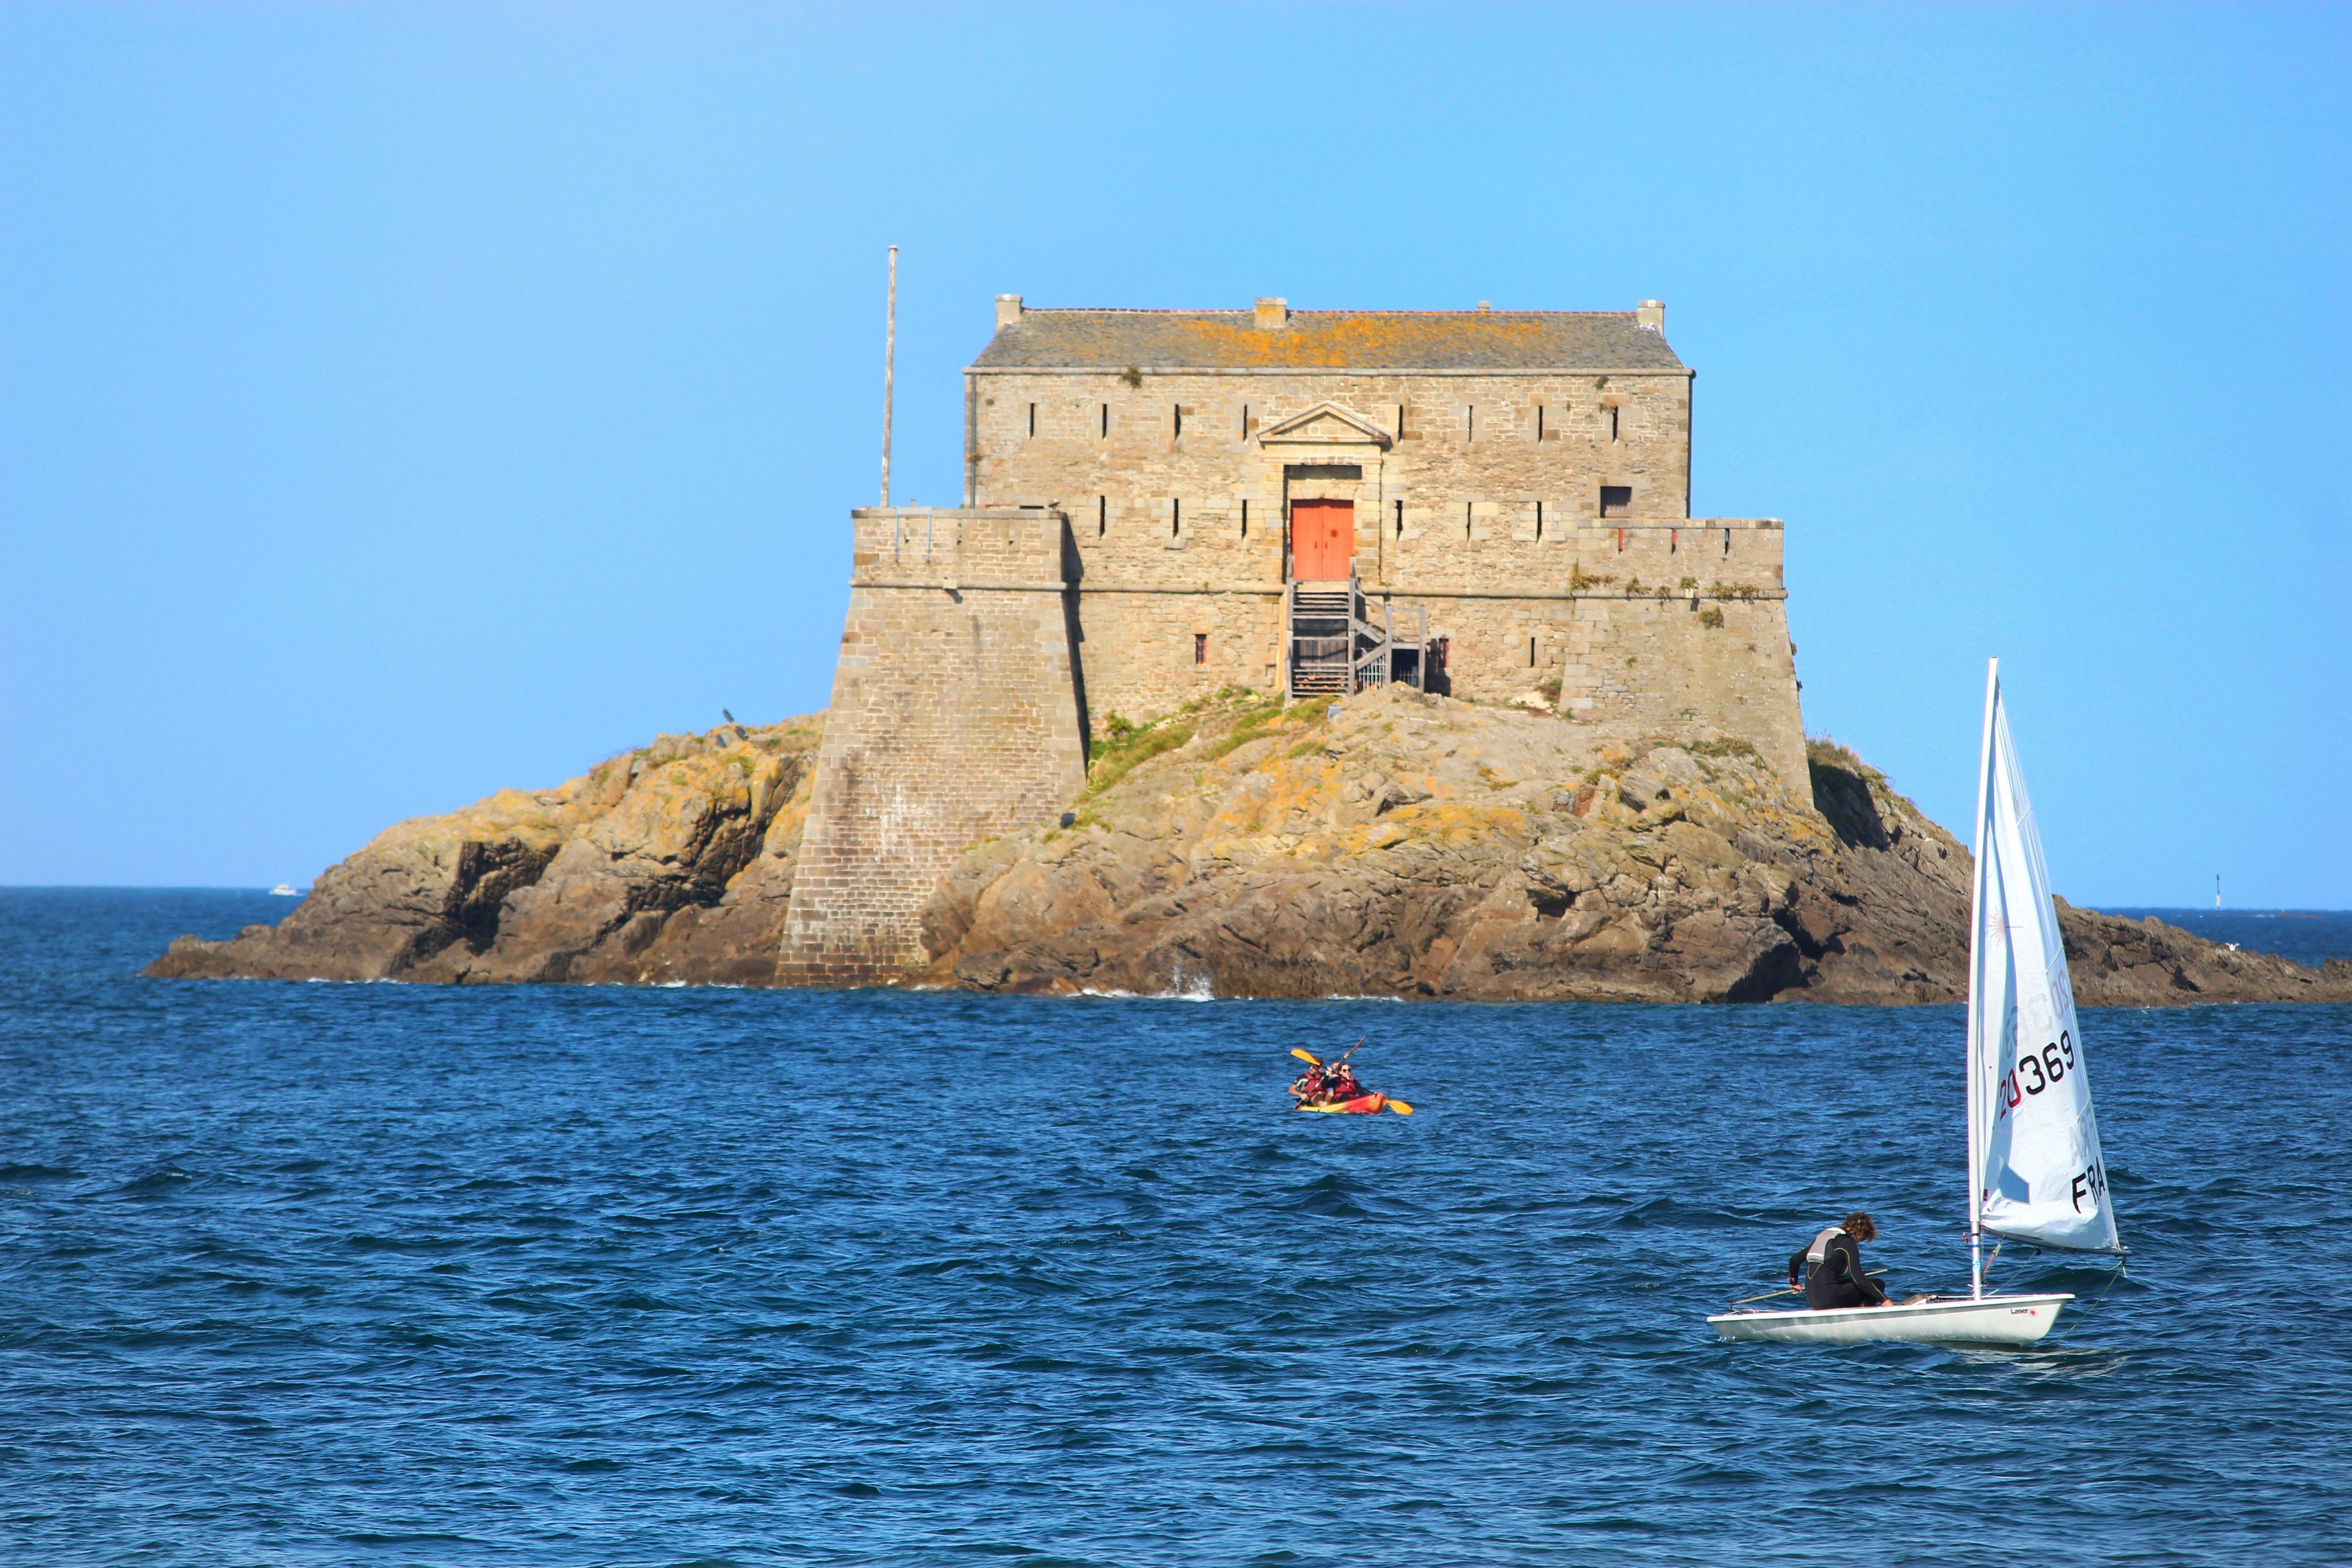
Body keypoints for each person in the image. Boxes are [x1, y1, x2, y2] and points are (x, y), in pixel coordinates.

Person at [1788, 1212, 1888, 1310]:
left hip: (1813, 1300)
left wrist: (1794, 1283)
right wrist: (1884, 1300)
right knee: (1878, 1284)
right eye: (1864, 1239)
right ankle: (1861, 1313)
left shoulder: (1825, 1239)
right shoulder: (1847, 1243)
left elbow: (1794, 1260)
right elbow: (1859, 1279)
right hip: (1830, 1299)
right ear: (1860, 1234)